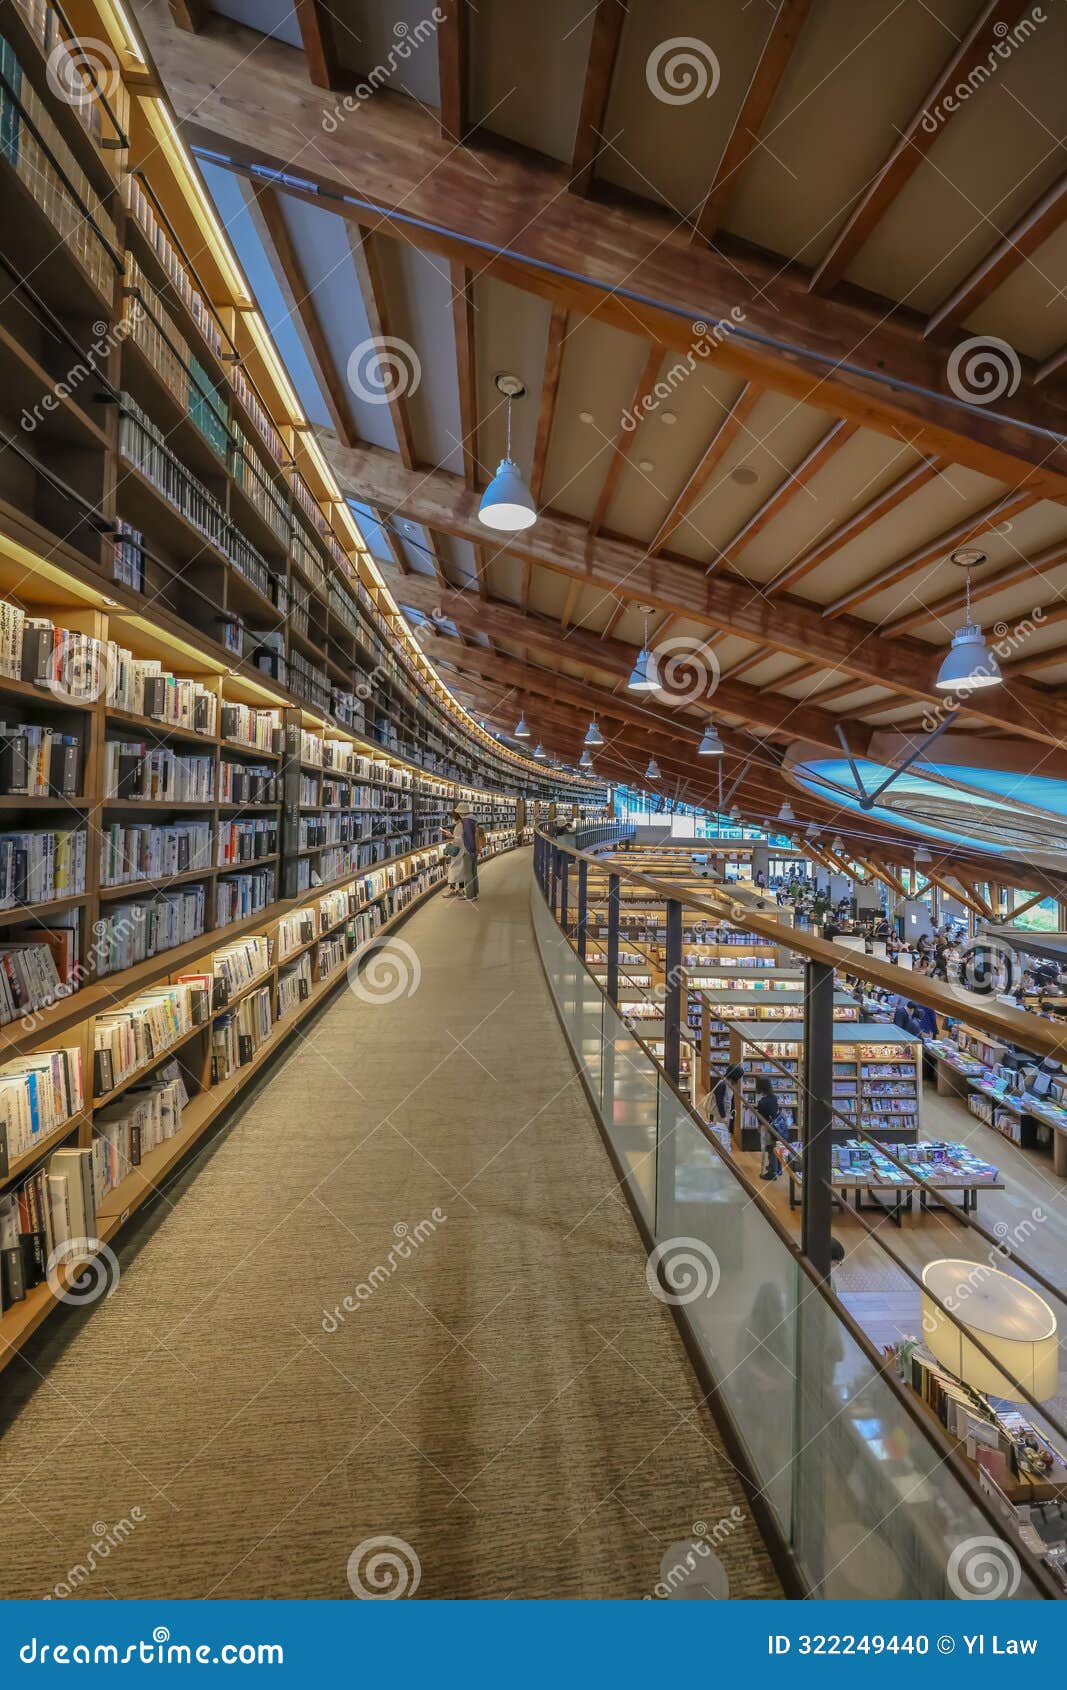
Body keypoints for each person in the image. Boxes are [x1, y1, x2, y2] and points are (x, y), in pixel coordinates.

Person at [701, 1063, 745, 1139]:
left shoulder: (728, 1084)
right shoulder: (723, 1084)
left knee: (723, 1134)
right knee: (720, 1135)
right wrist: (723, 1116)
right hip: (720, 1115)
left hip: (725, 1114)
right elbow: (719, 1101)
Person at [754, 1075, 784, 1181]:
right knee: (776, 1148)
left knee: (770, 1149)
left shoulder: (762, 1102)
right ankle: (778, 1169)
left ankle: (772, 1172)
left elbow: (761, 1118)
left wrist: (759, 1126)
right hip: (777, 1126)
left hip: (768, 1127)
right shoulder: (774, 1098)